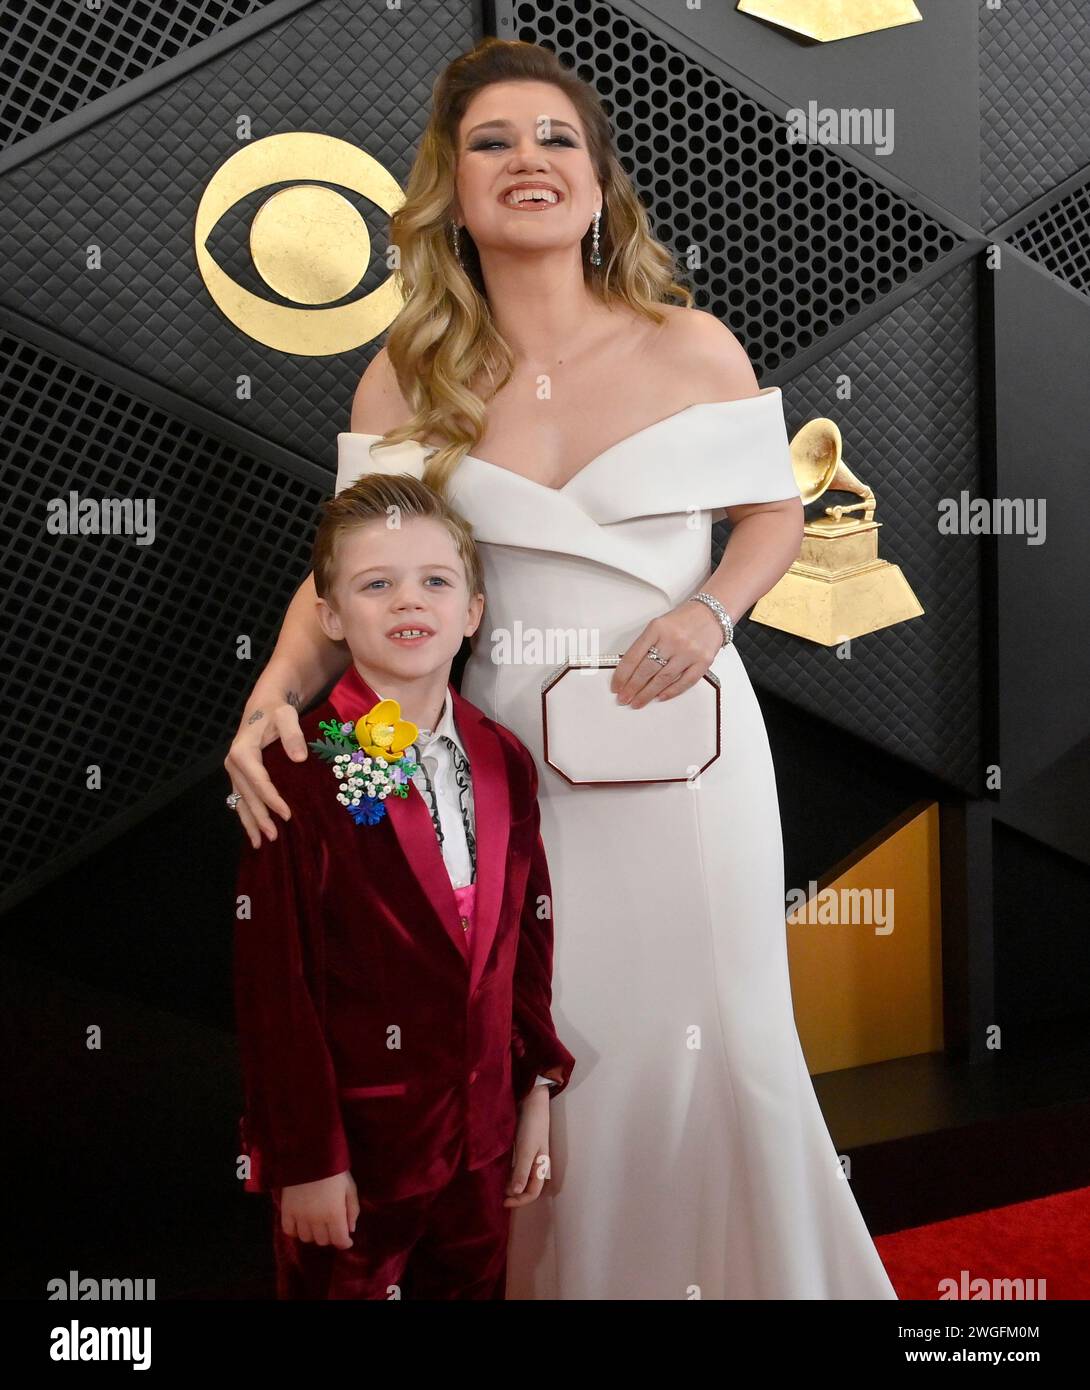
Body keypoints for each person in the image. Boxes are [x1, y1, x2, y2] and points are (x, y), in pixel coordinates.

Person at [226, 37, 898, 1299]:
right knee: (526, 1044)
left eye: (555, 141)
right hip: (496, 777)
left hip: (686, 765)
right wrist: (272, 688)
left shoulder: (688, 343)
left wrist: (709, 613)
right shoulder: (407, 371)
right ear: (451, 189)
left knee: (715, 1038)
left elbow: (774, 515)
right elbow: (349, 570)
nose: (526, 162)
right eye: (492, 143)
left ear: (597, 187)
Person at [232, 471, 575, 1299]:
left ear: (472, 612)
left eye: (435, 581)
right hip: (358, 1160)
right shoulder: (296, 768)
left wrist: (532, 1091)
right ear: (330, 616)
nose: (408, 602)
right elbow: (276, 985)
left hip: (481, 1146)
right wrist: (308, 1161)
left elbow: (524, 945)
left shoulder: (505, 759)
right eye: (376, 584)